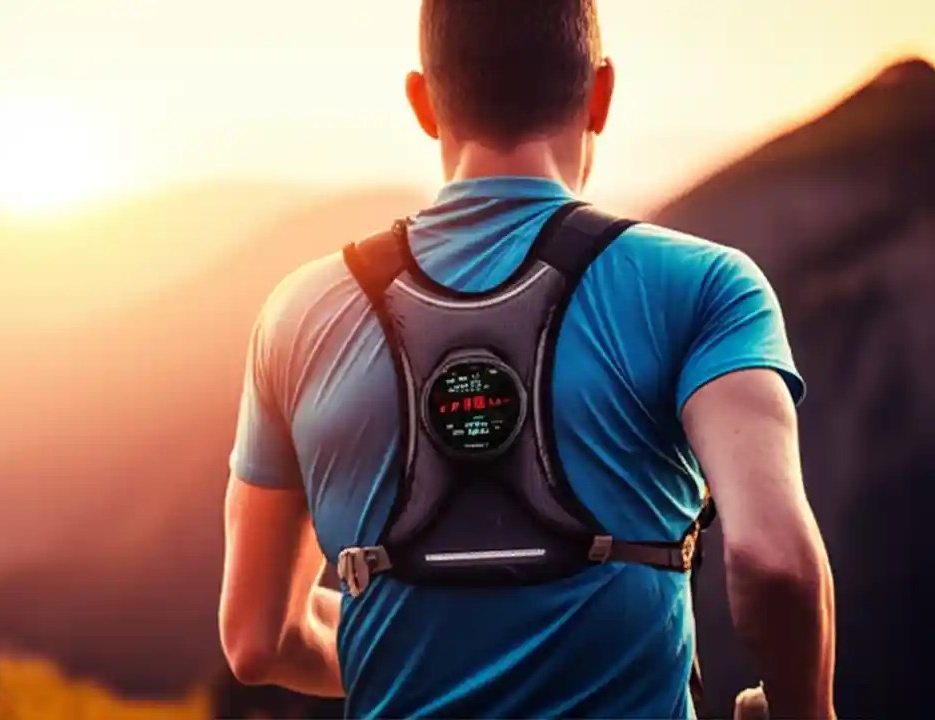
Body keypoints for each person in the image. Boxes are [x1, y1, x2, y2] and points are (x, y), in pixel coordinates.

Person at [218, 1, 837, 718]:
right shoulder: (706, 287)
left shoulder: (297, 314)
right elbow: (774, 566)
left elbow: (257, 640)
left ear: (423, 101)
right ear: (600, 93)